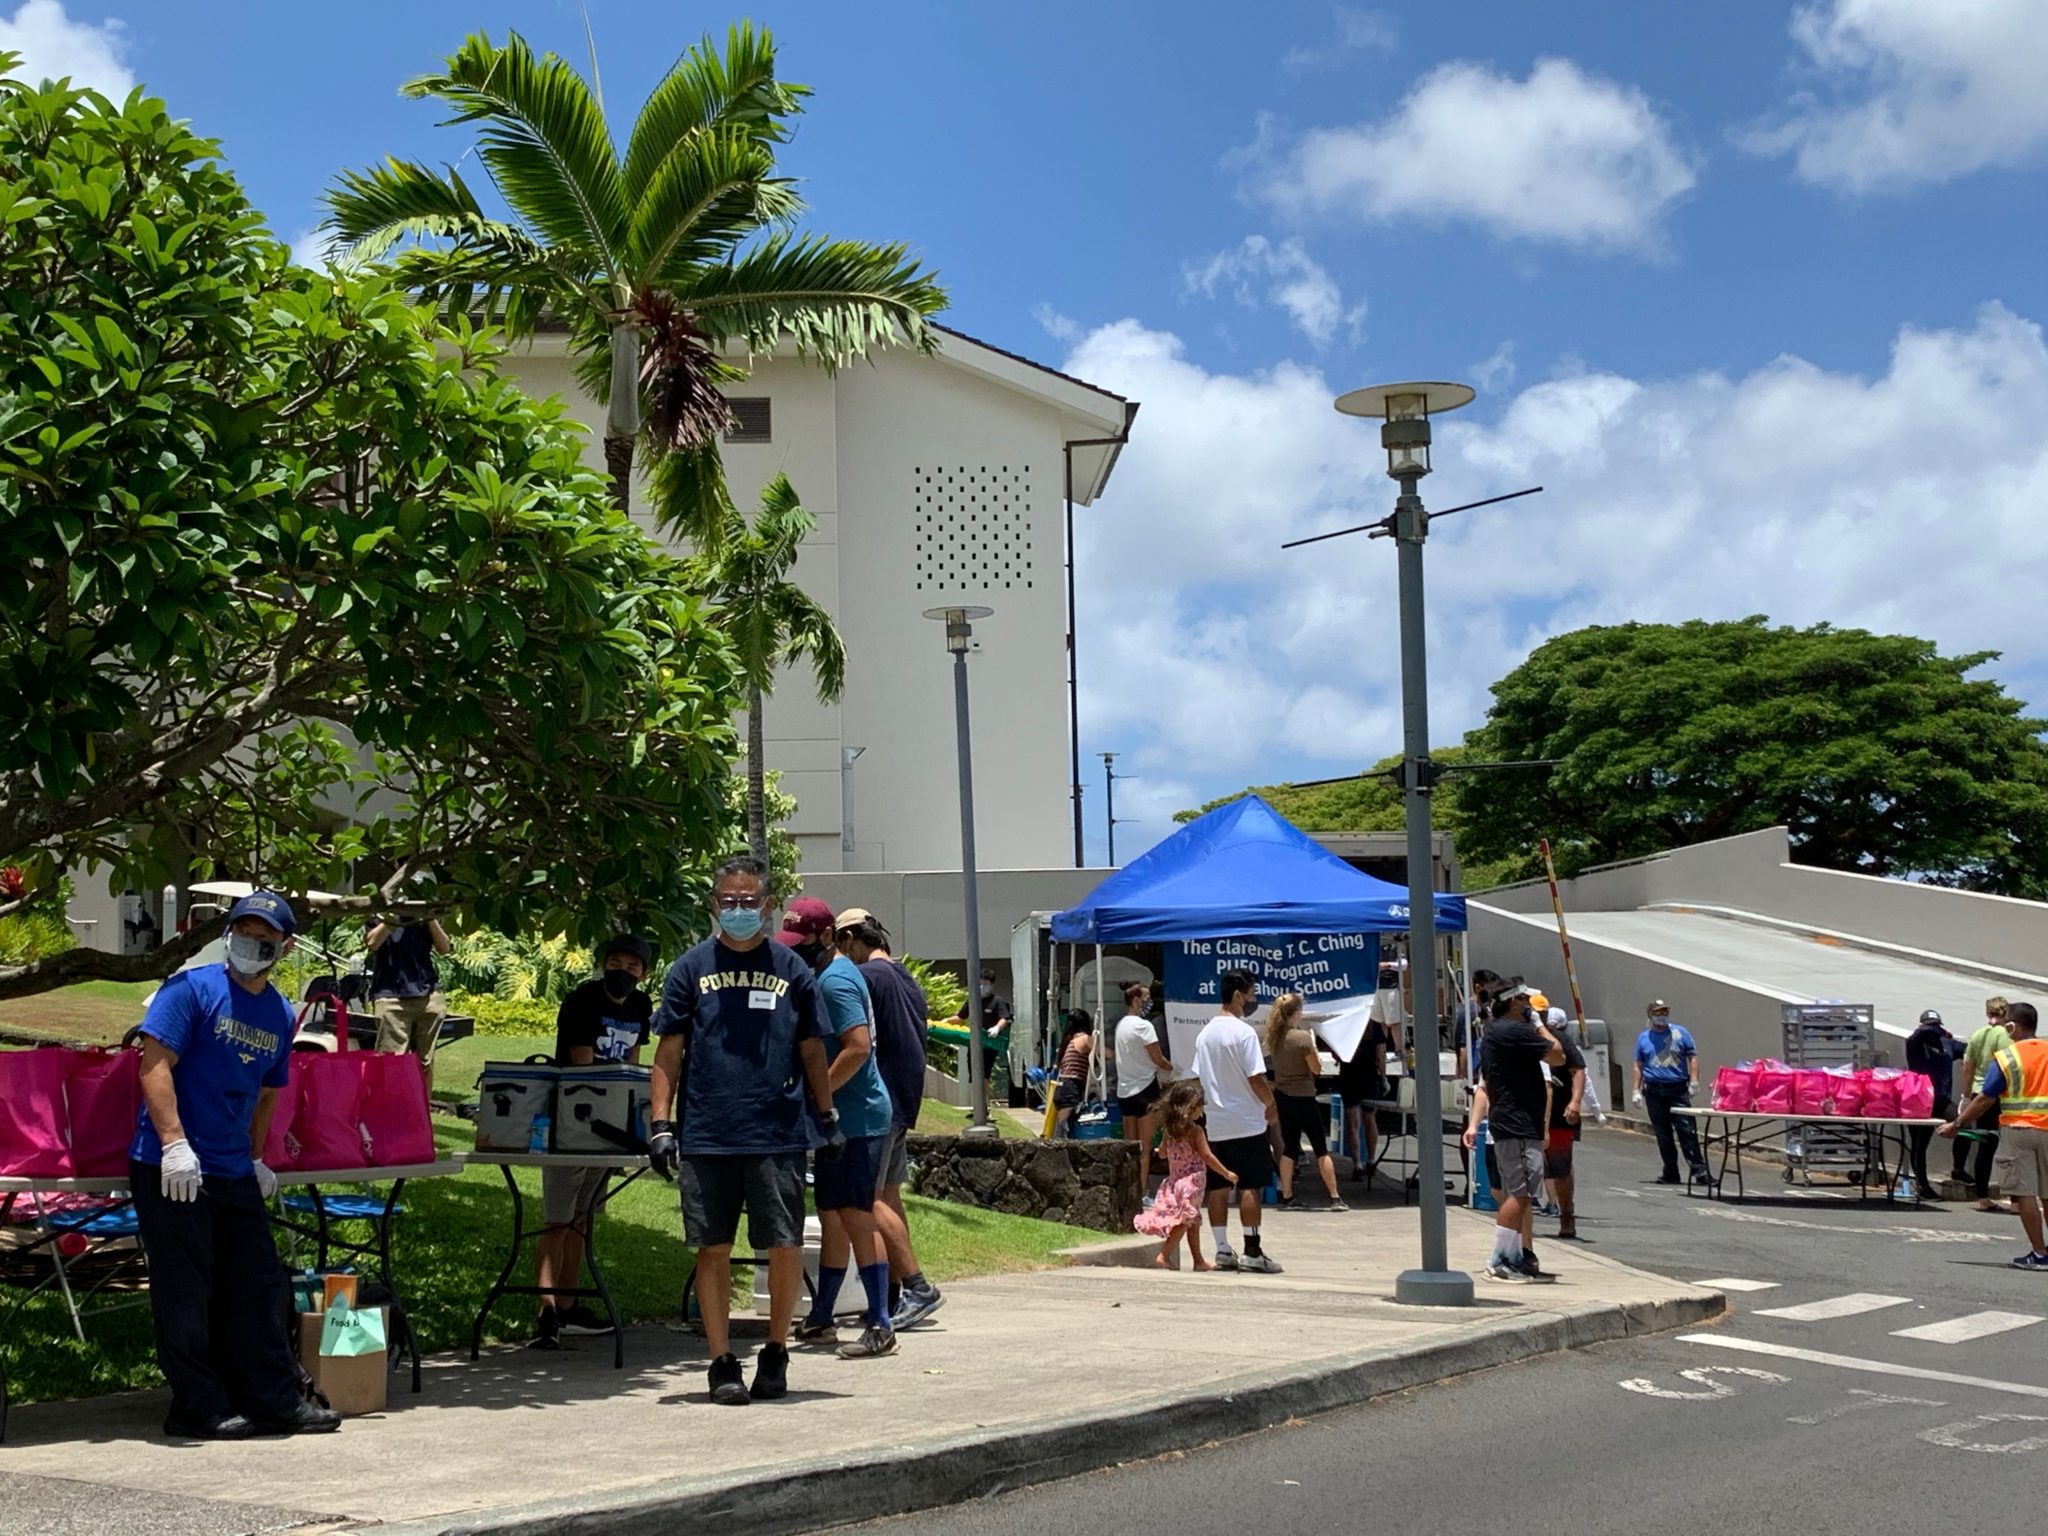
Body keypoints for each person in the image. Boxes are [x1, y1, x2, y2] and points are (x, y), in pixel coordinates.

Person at [131, 891, 341, 1439]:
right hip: (171, 1166)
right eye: (243, 932)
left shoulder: (276, 1011)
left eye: (264, 937)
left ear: (284, 946)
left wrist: (255, 1155)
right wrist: (174, 1143)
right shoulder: (190, 991)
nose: (252, 944)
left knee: (258, 1282)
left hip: (231, 1167)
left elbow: (268, 1091)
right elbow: (154, 1066)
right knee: (185, 1288)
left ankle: (274, 1398)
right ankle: (196, 1404)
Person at [648, 856, 841, 1406]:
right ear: (714, 905)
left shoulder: (791, 969)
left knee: (781, 1244)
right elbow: (669, 1052)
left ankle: (776, 1353)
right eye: (729, 902)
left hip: (777, 1130)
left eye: (749, 901)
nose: (739, 910)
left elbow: (812, 1047)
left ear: (767, 903)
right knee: (711, 1247)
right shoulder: (689, 969)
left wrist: (826, 1118)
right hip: (708, 1132)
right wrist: (661, 1124)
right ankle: (720, 1361)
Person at [782, 898, 900, 1360]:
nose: (797, 951)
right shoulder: (827, 976)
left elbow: (857, 1047)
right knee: (832, 1213)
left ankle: (880, 1322)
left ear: (828, 936)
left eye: (804, 942)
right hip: (842, 1119)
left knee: (855, 1214)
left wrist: (818, 1095)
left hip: (857, 1119)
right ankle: (823, 1316)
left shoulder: (835, 982)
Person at [531, 934, 653, 1349]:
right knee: (558, 1219)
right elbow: (582, 1067)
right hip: (574, 1120)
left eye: (632, 966)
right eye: (615, 962)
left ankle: (568, 1306)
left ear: (644, 973)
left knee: (582, 1219)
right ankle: (545, 1312)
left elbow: (633, 1064)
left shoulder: (640, 1006)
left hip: (613, 1125)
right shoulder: (583, 1000)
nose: (622, 971)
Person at [834, 909, 945, 1330]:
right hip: (904, 1100)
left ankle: (917, 1287)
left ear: (850, 939)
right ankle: (894, 1296)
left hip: (876, 1105)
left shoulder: (867, 978)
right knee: (890, 1199)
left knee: (869, 1201)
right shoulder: (905, 978)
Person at [1464, 994, 1566, 1283]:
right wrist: (1538, 1025)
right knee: (1521, 1194)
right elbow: (1557, 1054)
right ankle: (1500, 1260)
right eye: (1522, 1001)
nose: (1528, 1006)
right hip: (1519, 1124)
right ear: (1512, 1004)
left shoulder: (1493, 1032)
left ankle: (1515, 1258)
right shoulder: (1517, 1031)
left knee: (1516, 1193)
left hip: (1511, 1124)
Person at [1940, 1001, 2048, 1269]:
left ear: (2012, 1026)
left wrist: (1958, 1124)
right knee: (2047, 1194)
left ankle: (2039, 1254)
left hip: (2018, 1131)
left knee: (2025, 1193)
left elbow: (1986, 1097)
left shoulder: (2008, 1057)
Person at [1193, 969, 1282, 1273]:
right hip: (1246, 1120)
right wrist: (1270, 1104)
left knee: (1217, 1187)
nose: (1253, 999)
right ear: (1237, 995)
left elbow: (1198, 1077)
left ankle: (1221, 1249)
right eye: (1251, 993)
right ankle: (1252, 1250)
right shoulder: (1243, 1033)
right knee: (1249, 1186)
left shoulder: (1205, 1035)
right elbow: (1255, 1077)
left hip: (1216, 1122)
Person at [1132, 1079, 1237, 1270]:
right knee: (1185, 1220)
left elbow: (1163, 1153)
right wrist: (1226, 1172)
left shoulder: (1170, 1131)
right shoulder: (1195, 1131)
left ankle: (1198, 1260)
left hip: (1175, 1181)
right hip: (1193, 1182)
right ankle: (1164, 1255)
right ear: (1190, 1108)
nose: (1201, 1112)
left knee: (1192, 1220)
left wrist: (1167, 1152)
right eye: (1199, 1107)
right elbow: (1207, 1155)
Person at [1264, 993, 1346, 1210]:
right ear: (1297, 1013)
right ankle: (1335, 1196)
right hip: (1303, 1095)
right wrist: (1315, 1049)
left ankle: (1288, 1195)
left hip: (1283, 1094)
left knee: (1290, 1147)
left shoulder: (1274, 1037)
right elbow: (1316, 1068)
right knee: (1320, 1148)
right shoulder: (1301, 1038)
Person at [1631, 1000, 1714, 1186]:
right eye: (1658, 1012)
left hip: (1677, 1089)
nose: (1662, 1015)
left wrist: (1693, 1081)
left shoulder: (1679, 1033)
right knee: (1663, 1134)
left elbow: (1692, 1057)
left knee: (1687, 1130)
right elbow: (1638, 1065)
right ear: (1650, 1015)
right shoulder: (1644, 1038)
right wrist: (1636, 1090)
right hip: (1653, 1090)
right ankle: (1670, 1171)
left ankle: (1700, 1172)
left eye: (1665, 1011)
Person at [365, 911, 451, 1088]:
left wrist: (430, 917)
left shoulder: (426, 912)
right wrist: (393, 917)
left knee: (424, 1064)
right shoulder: (380, 913)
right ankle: (392, 1113)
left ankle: (421, 1112)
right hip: (391, 998)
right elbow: (373, 942)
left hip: (428, 997)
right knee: (391, 1063)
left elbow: (445, 948)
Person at [1956, 998, 2015, 1210]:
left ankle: (1983, 1197)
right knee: (2010, 1146)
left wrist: (1965, 1096)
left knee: (1985, 1146)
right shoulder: (2005, 1036)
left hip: (1977, 1094)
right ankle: (2016, 1200)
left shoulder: (1978, 1035)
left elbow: (1967, 1068)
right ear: (2006, 1013)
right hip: (2001, 1095)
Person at [1113, 980, 1173, 1191]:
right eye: (1146, 999)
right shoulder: (1144, 1026)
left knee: (1130, 1146)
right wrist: (1174, 1068)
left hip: (1124, 1090)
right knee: (1145, 1148)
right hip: (1145, 1088)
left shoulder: (1122, 1025)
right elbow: (1158, 1059)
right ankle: (1143, 1189)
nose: (1149, 1003)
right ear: (1136, 1000)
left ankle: (1129, 1189)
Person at [1905, 1007, 1966, 1201]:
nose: (1934, 1031)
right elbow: (1917, 1036)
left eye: (1937, 1026)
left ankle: (1958, 1168)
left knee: (1965, 1127)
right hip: (1920, 1100)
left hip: (1941, 1099)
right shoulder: (1916, 1043)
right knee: (1920, 1143)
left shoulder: (1946, 1043)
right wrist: (1929, 1029)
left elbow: (1966, 1049)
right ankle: (1922, 1185)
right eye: (1931, 1026)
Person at [1543, 1009, 1588, 1240]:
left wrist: (1575, 1101)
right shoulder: (1519, 1035)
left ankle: (1566, 1214)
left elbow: (1578, 1069)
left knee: (1560, 1166)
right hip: (1529, 1113)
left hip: (1559, 1113)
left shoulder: (1560, 1039)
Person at [1338, 1010, 1392, 1187]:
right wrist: (1383, 1078)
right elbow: (1380, 1055)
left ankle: (1357, 1165)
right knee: (1370, 1119)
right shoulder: (1374, 1026)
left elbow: (1336, 1053)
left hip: (1349, 1075)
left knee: (1353, 1123)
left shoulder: (1346, 1025)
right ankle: (1371, 1160)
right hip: (1370, 1077)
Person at [1052, 1009, 1093, 1138]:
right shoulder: (1085, 1039)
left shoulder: (1067, 1041)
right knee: (1065, 1129)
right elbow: (1106, 1054)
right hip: (1071, 1086)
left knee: (1062, 1128)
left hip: (1061, 1086)